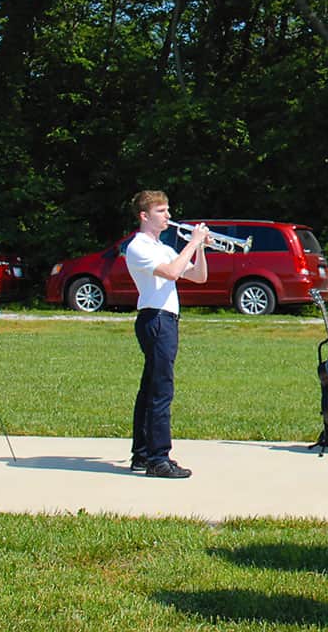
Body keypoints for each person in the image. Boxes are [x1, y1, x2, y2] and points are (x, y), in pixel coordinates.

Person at [125, 190, 210, 479]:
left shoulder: (163, 247)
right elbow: (172, 273)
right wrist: (193, 242)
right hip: (155, 319)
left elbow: (198, 276)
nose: (168, 216)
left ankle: (142, 454)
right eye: (161, 211)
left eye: (168, 210)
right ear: (144, 216)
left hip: (166, 319)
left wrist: (199, 248)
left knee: (150, 388)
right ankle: (159, 458)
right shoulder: (138, 247)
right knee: (162, 390)